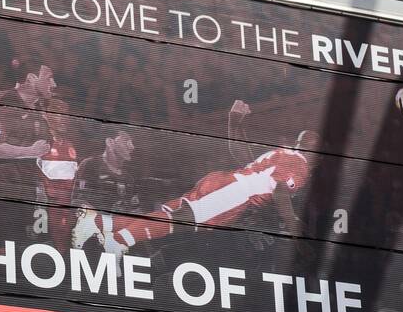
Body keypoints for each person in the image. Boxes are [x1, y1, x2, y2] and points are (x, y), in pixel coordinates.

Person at [72, 100, 316, 254]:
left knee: (170, 216)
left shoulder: (282, 153)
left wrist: (234, 123)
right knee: (176, 221)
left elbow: (241, 155)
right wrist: (294, 225)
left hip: (223, 181)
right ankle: (118, 240)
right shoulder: (301, 165)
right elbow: (282, 192)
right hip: (234, 194)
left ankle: (100, 224)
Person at [0, 64, 55, 248]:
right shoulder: (6, 101)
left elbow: (45, 144)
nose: (54, 83)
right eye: (49, 77)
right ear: (31, 78)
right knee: (9, 248)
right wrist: (27, 152)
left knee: (39, 246)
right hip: (4, 188)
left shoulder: (39, 107)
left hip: (31, 189)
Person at [35, 97, 79, 252]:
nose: (64, 118)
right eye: (59, 113)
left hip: (68, 214)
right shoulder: (38, 143)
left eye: (66, 114)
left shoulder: (70, 145)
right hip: (45, 213)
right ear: (45, 115)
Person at [72, 130, 136, 214]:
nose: (131, 146)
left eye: (130, 142)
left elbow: (131, 206)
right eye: (125, 140)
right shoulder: (90, 164)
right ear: (110, 142)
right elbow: (78, 199)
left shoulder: (128, 178)